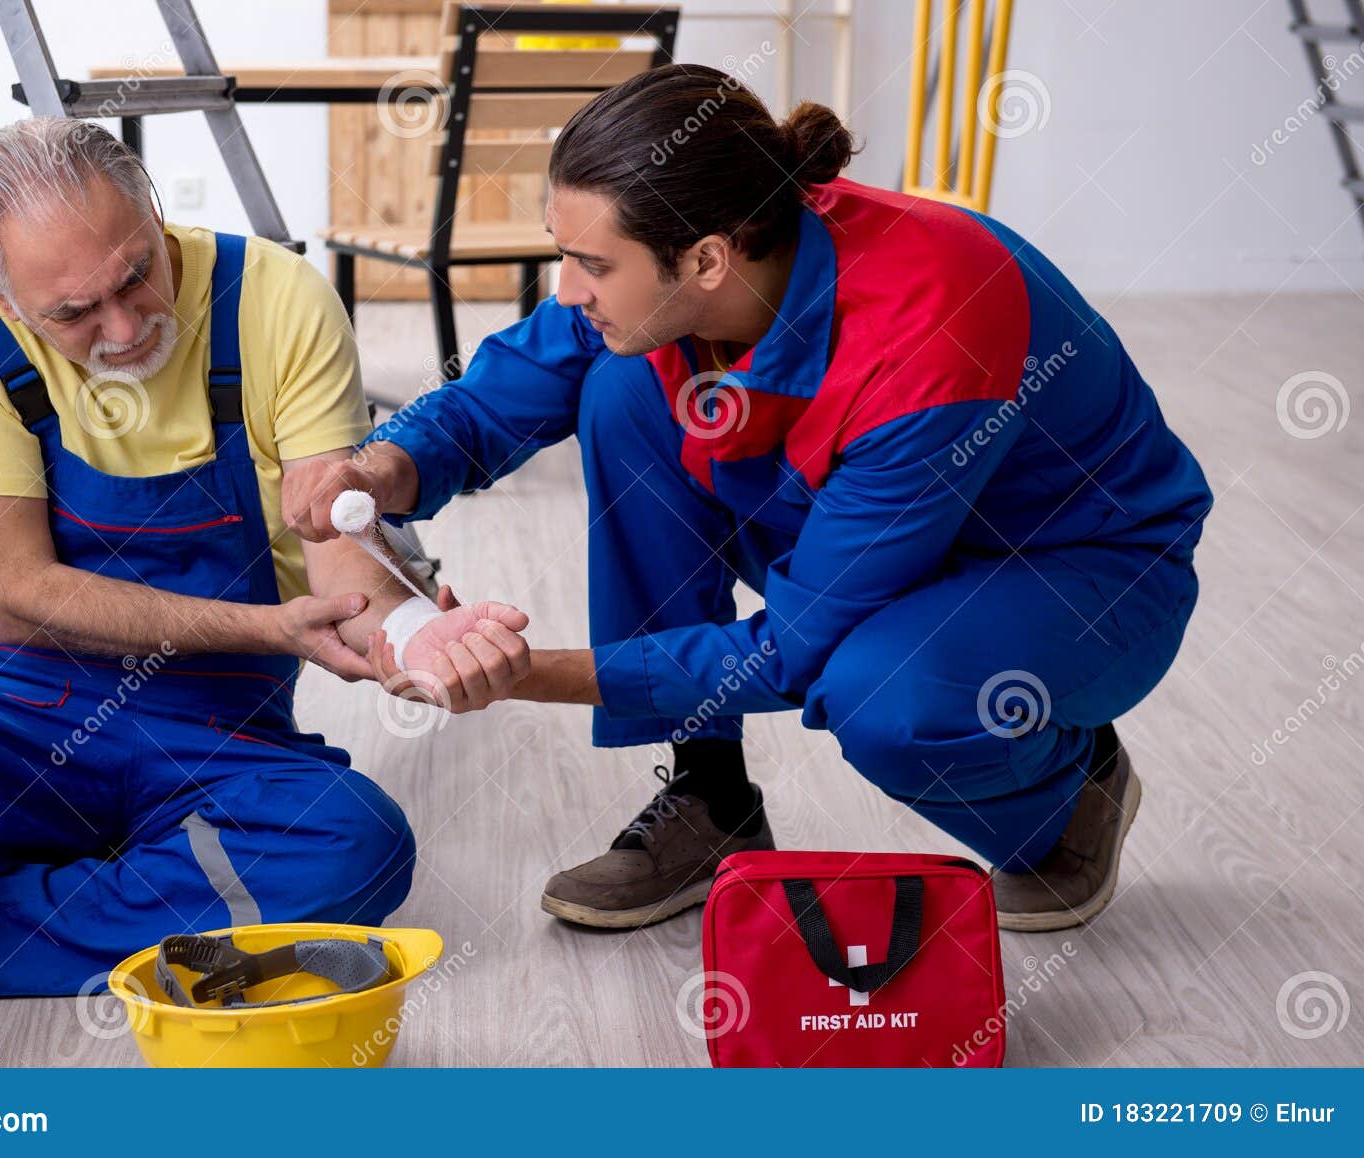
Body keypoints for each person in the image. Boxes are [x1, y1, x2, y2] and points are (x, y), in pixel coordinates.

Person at [286, 65, 1213, 935]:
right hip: (883, 524)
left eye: (591, 266)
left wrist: (518, 673)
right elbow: (512, 383)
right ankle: (711, 800)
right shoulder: (703, 257)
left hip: (1074, 569)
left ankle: (1072, 789)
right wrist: (381, 466)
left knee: (886, 695)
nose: (567, 291)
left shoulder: (932, 340)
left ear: (706, 260)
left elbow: (793, 650)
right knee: (626, 385)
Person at [0, 118, 530, 1067]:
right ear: (2, 299)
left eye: (137, 275)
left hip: (220, 737)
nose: (126, 330)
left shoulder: (276, 298)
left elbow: (341, 561)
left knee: (354, 845)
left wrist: (413, 633)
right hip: (22, 718)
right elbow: (14, 595)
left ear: (156, 210)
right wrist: (269, 625)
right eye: (75, 313)